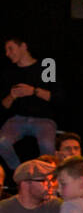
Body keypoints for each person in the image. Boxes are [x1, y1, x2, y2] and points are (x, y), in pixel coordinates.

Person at [0, 37, 59, 172]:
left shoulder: (45, 66)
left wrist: (33, 91)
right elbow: (4, 105)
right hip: (18, 119)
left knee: (47, 145)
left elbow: (56, 97)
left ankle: (46, 176)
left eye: (11, 49)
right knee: (2, 142)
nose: (7, 54)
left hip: (44, 119)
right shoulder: (9, 72)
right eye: (6, 50)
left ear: (23, 47)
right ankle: (21, 173)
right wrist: (12, 96)